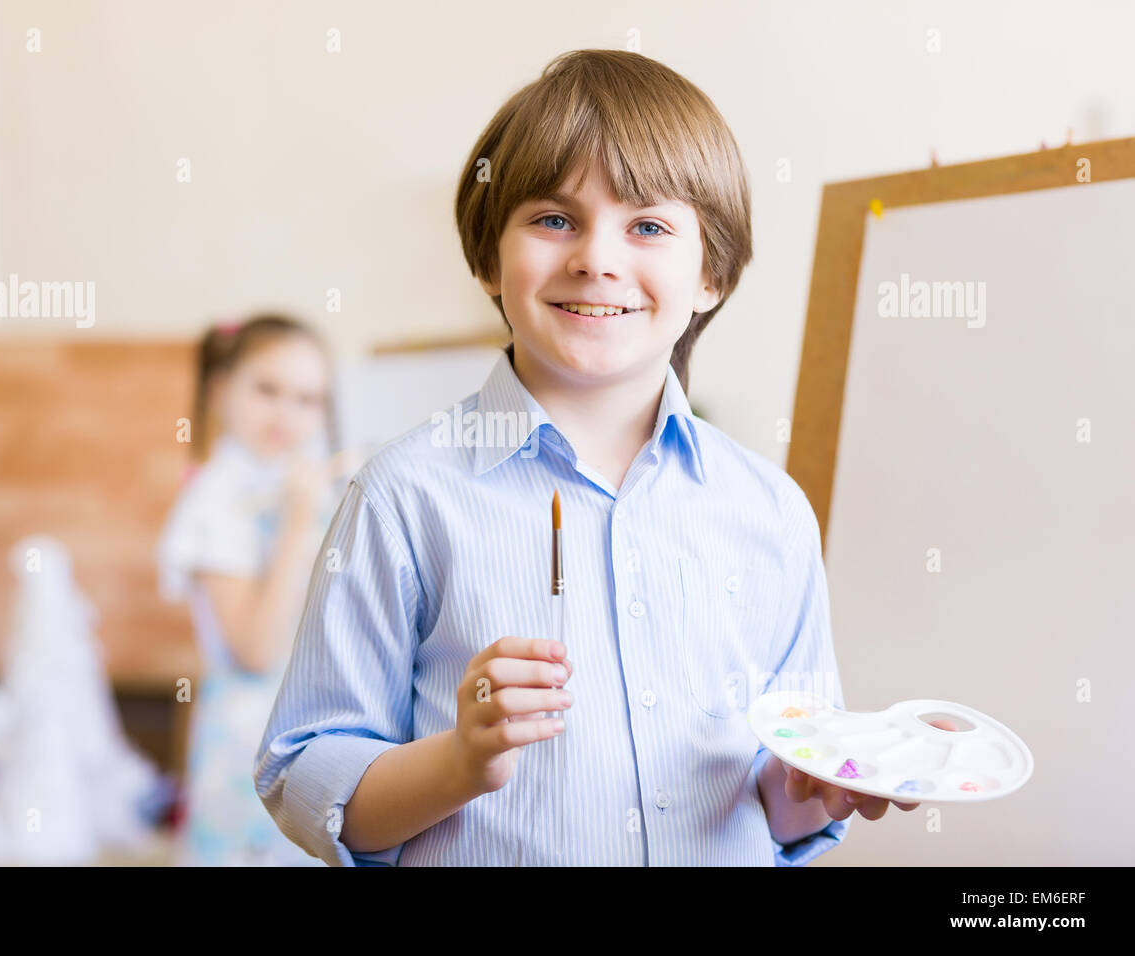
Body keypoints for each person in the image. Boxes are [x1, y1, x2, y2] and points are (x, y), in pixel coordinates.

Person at [254, 49, 917, 866]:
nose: (596, 259)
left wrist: (813, 787)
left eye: (647, 226)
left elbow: (774, 806)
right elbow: (306, 778)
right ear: (488, 256)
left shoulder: (770, 511)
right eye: (554, 219)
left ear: (710, 271)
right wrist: (462, 761)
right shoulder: (403, 495)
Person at [159, 314, 350, 866]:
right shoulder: (218, 500)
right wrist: (296, 525)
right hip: (252, 736)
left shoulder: (297, 483)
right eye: (267, 390)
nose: (286, 414)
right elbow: (255, 649)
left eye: (308, 399)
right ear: (221, 390)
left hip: (314, 727)